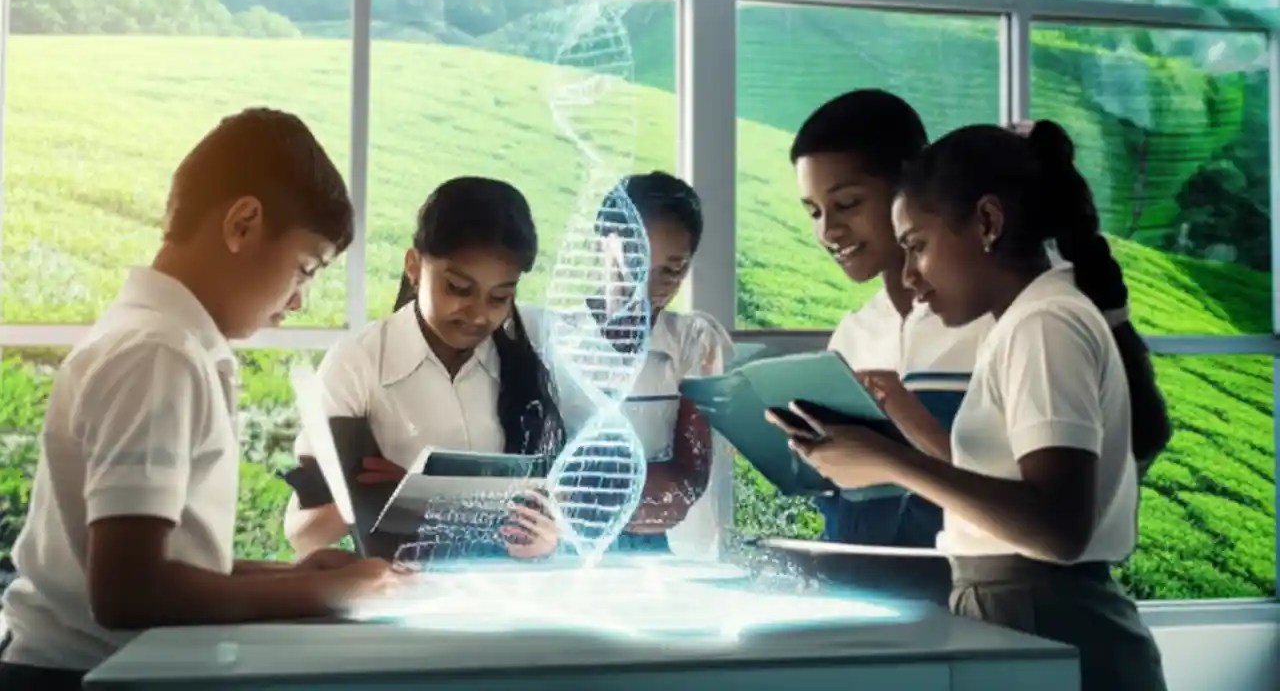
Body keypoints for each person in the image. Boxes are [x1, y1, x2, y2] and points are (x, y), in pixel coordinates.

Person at [0, 108, 399, 690]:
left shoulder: (156, 337)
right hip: (86, 676)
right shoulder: (159, 353)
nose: (297, 302)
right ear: (243, 223)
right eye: (304, 269)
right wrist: (322, 591)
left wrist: (290, 575)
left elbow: (162, 566)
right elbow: (128, 592)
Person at [770, 121, 1168, 691]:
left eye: (918, 247)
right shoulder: (1027, 321)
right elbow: (1007, 483)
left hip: (1042, 616)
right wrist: (907, 419)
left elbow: (1057, 527)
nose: (910, 277)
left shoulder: (1045, 324)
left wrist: (891, 461)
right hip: (1019, 611)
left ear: (987, 222)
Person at [283, 177, 563, 563]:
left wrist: (546, 536)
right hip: (401, 602)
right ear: (414, 266)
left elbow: (556, 509)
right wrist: (391, 500)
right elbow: (303, 534)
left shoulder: (526, 360)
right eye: (459, 289)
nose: (479, 314)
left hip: (505, 596)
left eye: (500, 297)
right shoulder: (357, 365)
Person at [790, 89, 988, 549]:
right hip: (868, 590)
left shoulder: (990, 318)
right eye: (815, 212)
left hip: (971, 589)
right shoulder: (852, 336)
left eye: (847, 204)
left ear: (908, 186)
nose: (828, 232)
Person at [539, 171, 732, 556]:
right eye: (634, 262)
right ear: (601, 246)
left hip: (675, 555)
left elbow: (685, 481)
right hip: (564, 554)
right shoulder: (551, 336)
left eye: (672, 269)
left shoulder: (694, 340)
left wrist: (579, 499)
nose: (648, 285)